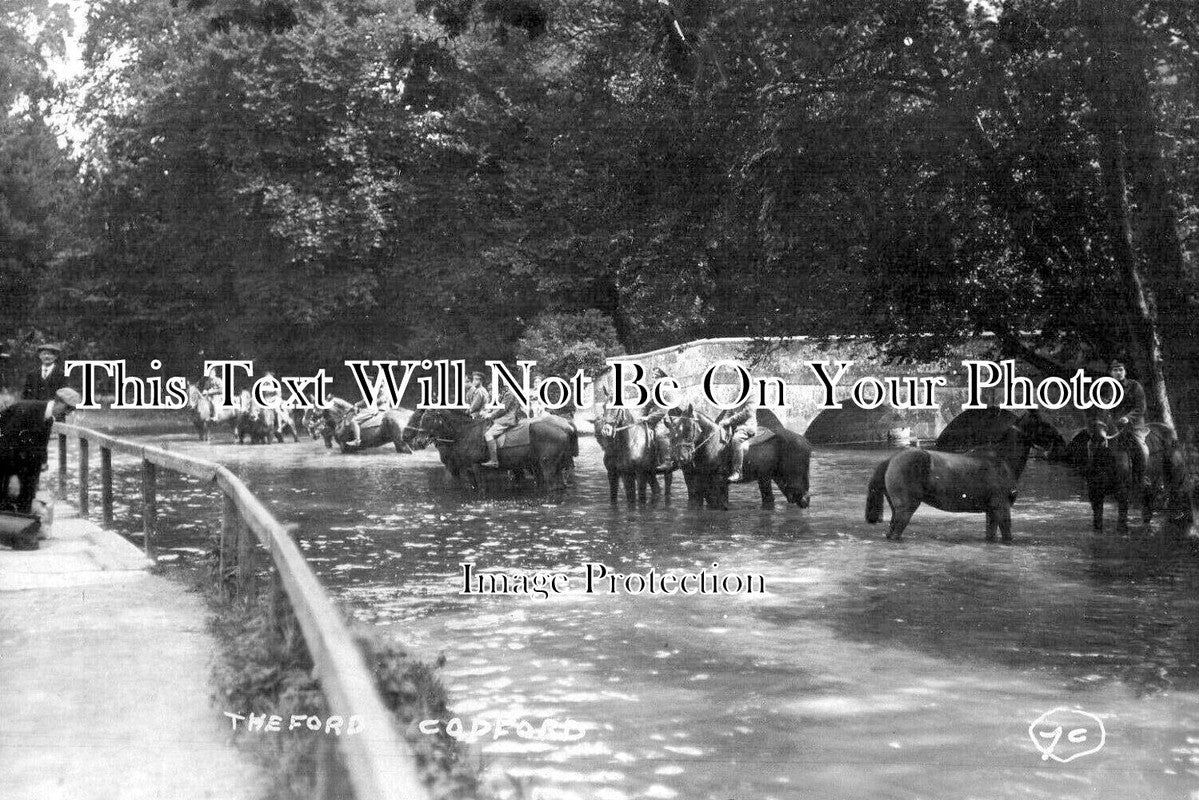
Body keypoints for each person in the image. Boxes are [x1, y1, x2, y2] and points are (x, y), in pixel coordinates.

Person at [0, 388, 81, 515]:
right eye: (67, 408)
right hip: (5, 460)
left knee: (26, 500)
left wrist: (42, 463)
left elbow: (40, 447)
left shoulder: (49, 418)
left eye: (72, 410)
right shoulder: (27, 410)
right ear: (57, 402)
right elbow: (6, 444)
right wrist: (13, 476)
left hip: (23, 464)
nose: (68, 413)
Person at [1108, 358, 1149, 490]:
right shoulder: (1109, 388)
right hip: (1115, 426)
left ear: (1125, 372)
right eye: (1115, 370)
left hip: (1134, 425)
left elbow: (1141, 408)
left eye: (1121, 370)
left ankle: (1142, 478)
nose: (1118, 373)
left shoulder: (1135, 386)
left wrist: (1127, 418)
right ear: (1111, 373)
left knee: (1141, 447)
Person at [642, 367, 680, 470]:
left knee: (660, 433)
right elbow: (647, 405)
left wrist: (648, 417)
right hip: (652, 418)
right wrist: (642, 416)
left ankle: (667, 460)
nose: (654, 379)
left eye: (657, 377)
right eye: (653, 377)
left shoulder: (667, 391)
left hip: (664, 419)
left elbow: (663, 411)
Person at [481, 385, 527, 468]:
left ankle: (494, 460)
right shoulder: (506, 392)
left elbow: (503, 409)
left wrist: (490, 415)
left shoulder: (510, 393)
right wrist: (487, 411)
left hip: (507, 419)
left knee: (488, 434)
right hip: (505, 416)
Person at [719, 390, 758, 482]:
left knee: (736, 440)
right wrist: (723, 421)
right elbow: (729, 410)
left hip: (746, 426)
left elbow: (747, 412)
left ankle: (737, 472)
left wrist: (729, 421)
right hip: (733, 426)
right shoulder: (736, 394)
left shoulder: (752, 394)